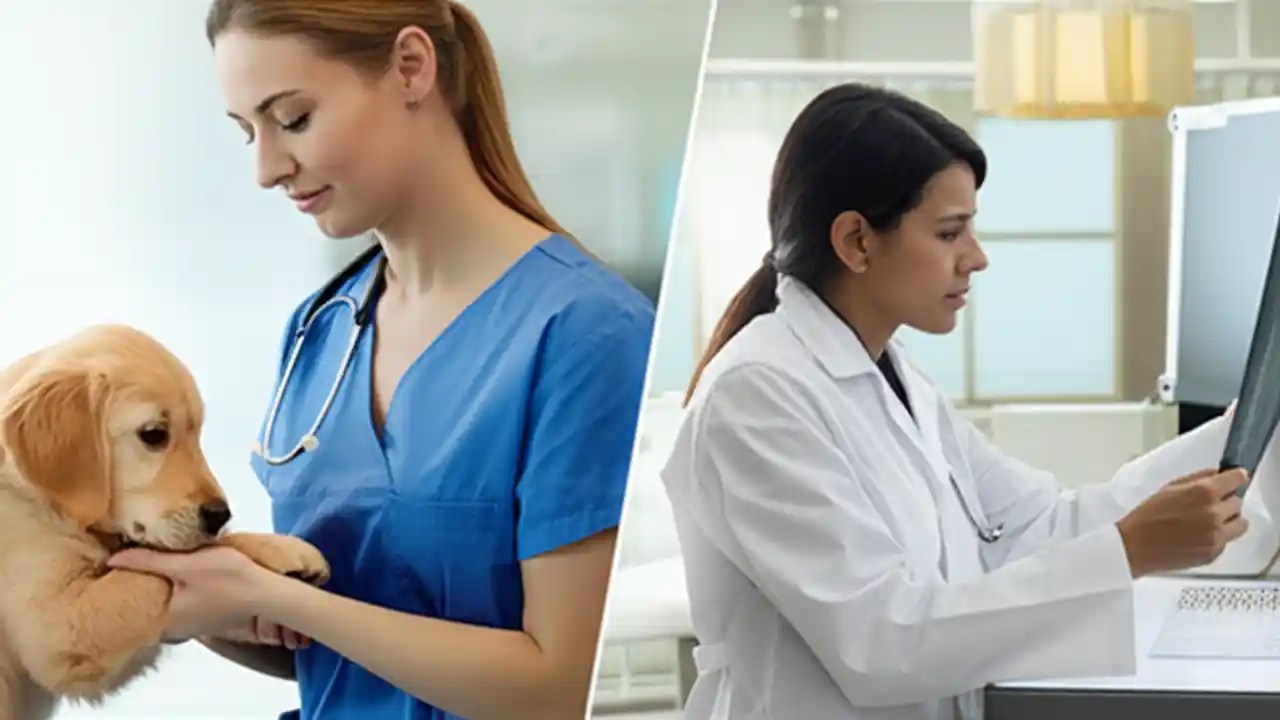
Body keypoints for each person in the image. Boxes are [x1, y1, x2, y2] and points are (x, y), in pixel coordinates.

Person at [106, 2, 655, 719]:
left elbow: (558, 686)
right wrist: (194, 604)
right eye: (248, 133)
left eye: (293, 118)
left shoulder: (586, 332)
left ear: (410, 67)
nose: (266, 169)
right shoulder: (316, 334)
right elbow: (337, 654)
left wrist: (271, 593)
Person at [659, 82, 1261, 720]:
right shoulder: (757, 394)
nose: (976, 258)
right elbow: (880, 642)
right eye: (950, 233)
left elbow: (1039, 528)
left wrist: (1249, 428)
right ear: (857, 241)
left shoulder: (898, 378)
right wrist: (1128, 550)